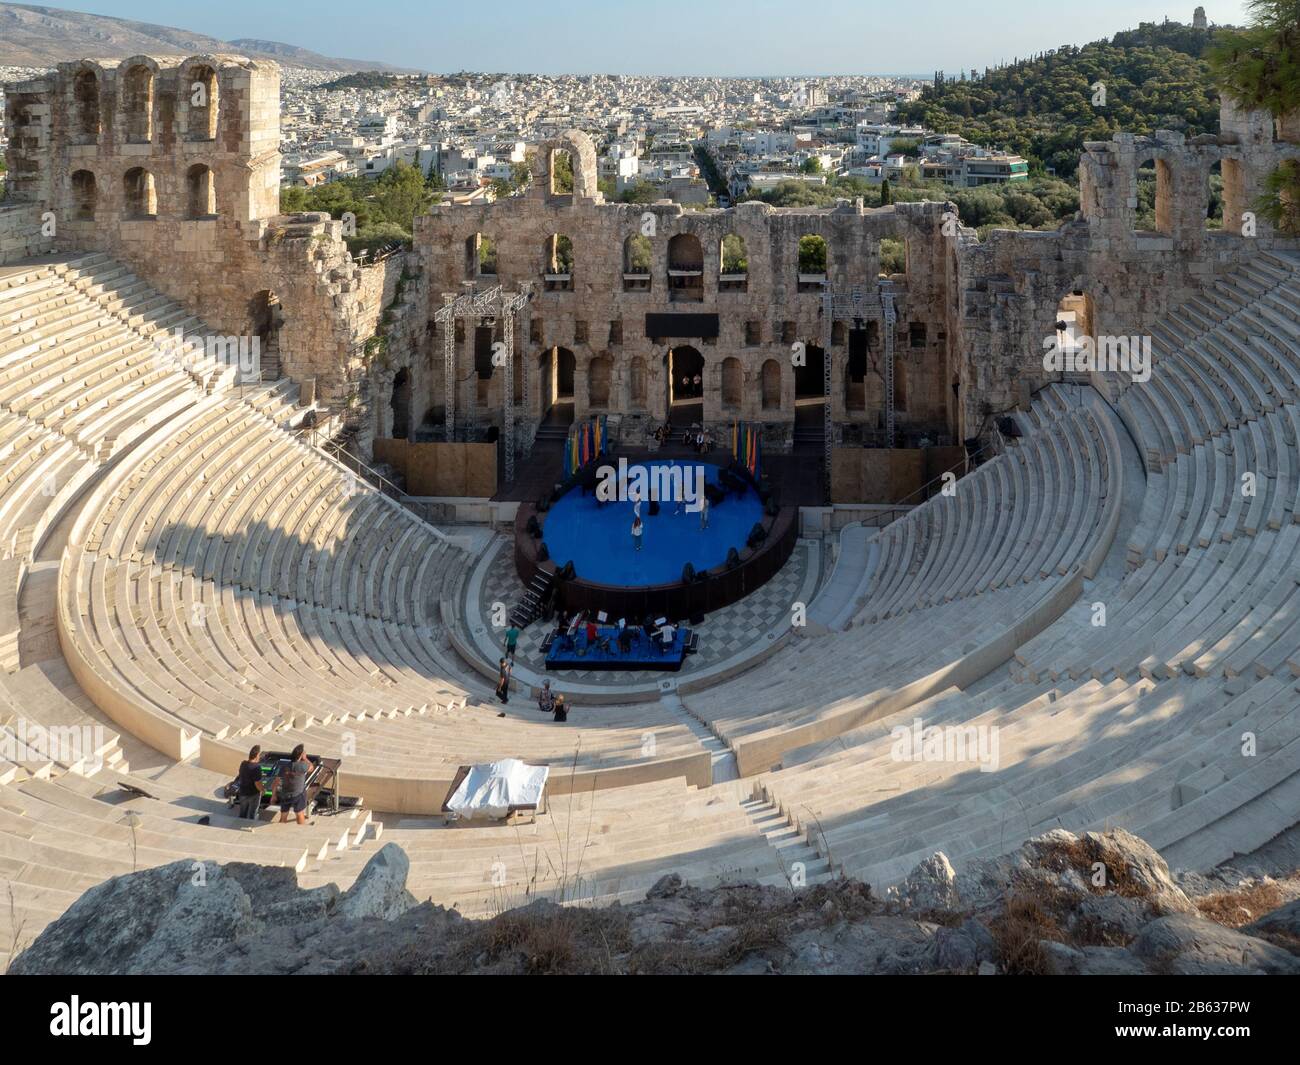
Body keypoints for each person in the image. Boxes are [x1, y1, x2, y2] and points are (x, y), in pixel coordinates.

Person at [275, 744, 312, 825]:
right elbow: (311, 767)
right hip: (298, 794)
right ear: (301, 755)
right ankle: (301, 830)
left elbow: (276, 781)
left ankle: (280, 829)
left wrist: (273, 795)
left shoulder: (284, 767)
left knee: (283, 815)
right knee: (299, 813)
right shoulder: (302, 766)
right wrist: (305, 758)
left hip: (285, 794)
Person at [235, 744, 264, 821]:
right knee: (252, 814)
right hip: (253, 794)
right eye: (259, 754)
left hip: (243, 792)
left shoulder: (243, 763)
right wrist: (263, 790)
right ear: (257, 755)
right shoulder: (257, 767)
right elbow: (257, 783)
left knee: (242, 813)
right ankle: (249, 827)